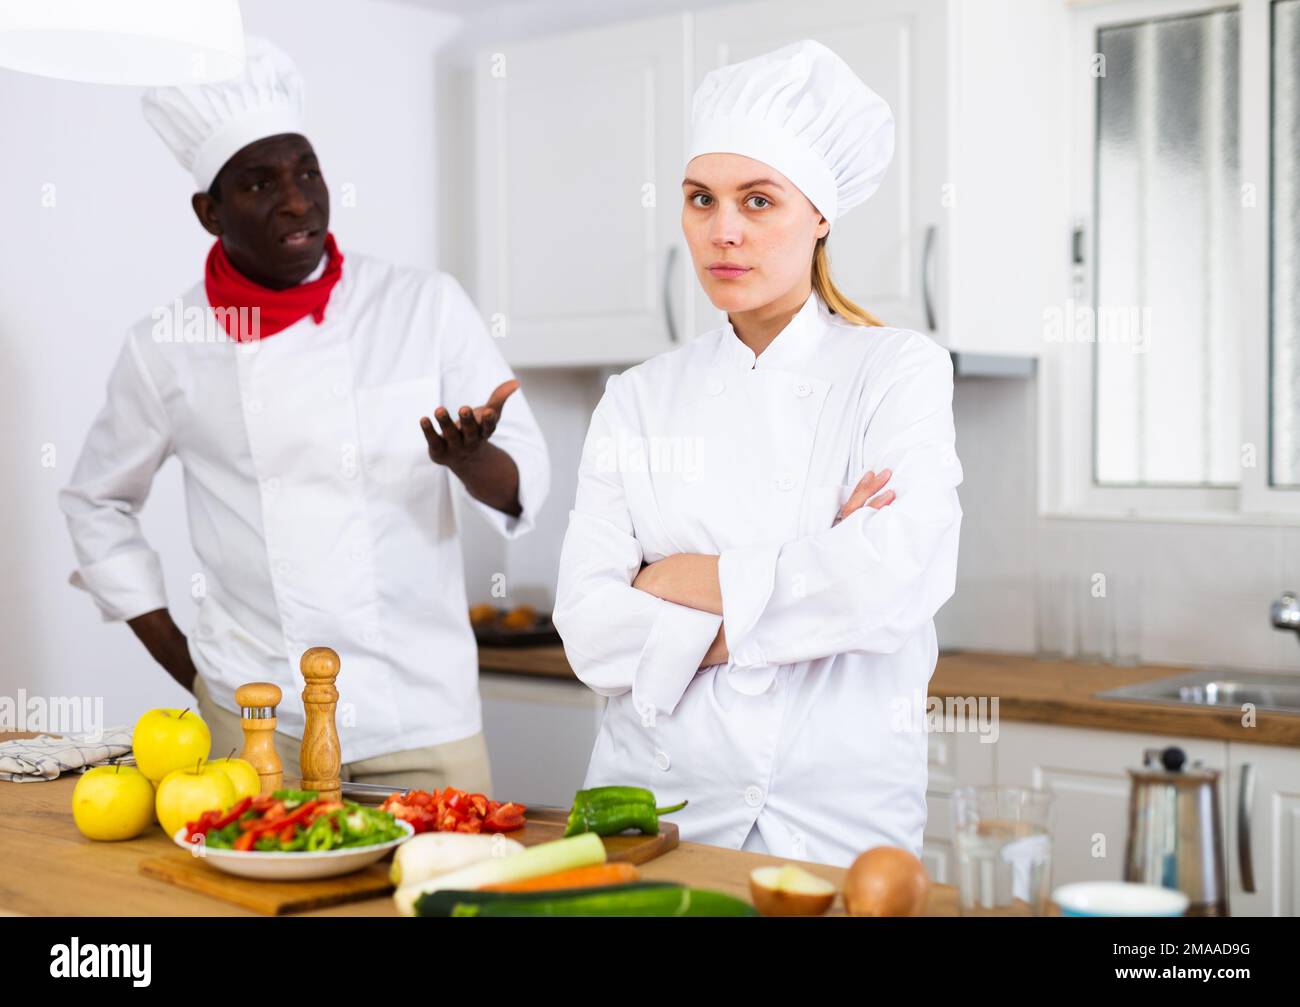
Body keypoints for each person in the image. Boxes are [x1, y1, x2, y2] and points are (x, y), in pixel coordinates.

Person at [59, 38, 549, 793]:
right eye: (259, 182)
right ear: (208, 210)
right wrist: (190, 667)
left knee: (439, 903)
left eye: (307, 171)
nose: (296, 199)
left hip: (419, 717)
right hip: (257, 726)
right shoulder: (166, 348)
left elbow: (520, 477)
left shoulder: (421, 305)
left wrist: (469, 459)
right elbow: (96, 500)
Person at [552, 39, 963, 867]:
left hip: (836, 826)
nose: (723, 230)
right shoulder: (636, 397)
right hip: (658, 818)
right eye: (700, 199)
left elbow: (892, 581)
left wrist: (674, 583)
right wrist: (814, 568)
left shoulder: (895, 369)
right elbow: (591, 634)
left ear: (820, 214)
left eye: (758, 200)